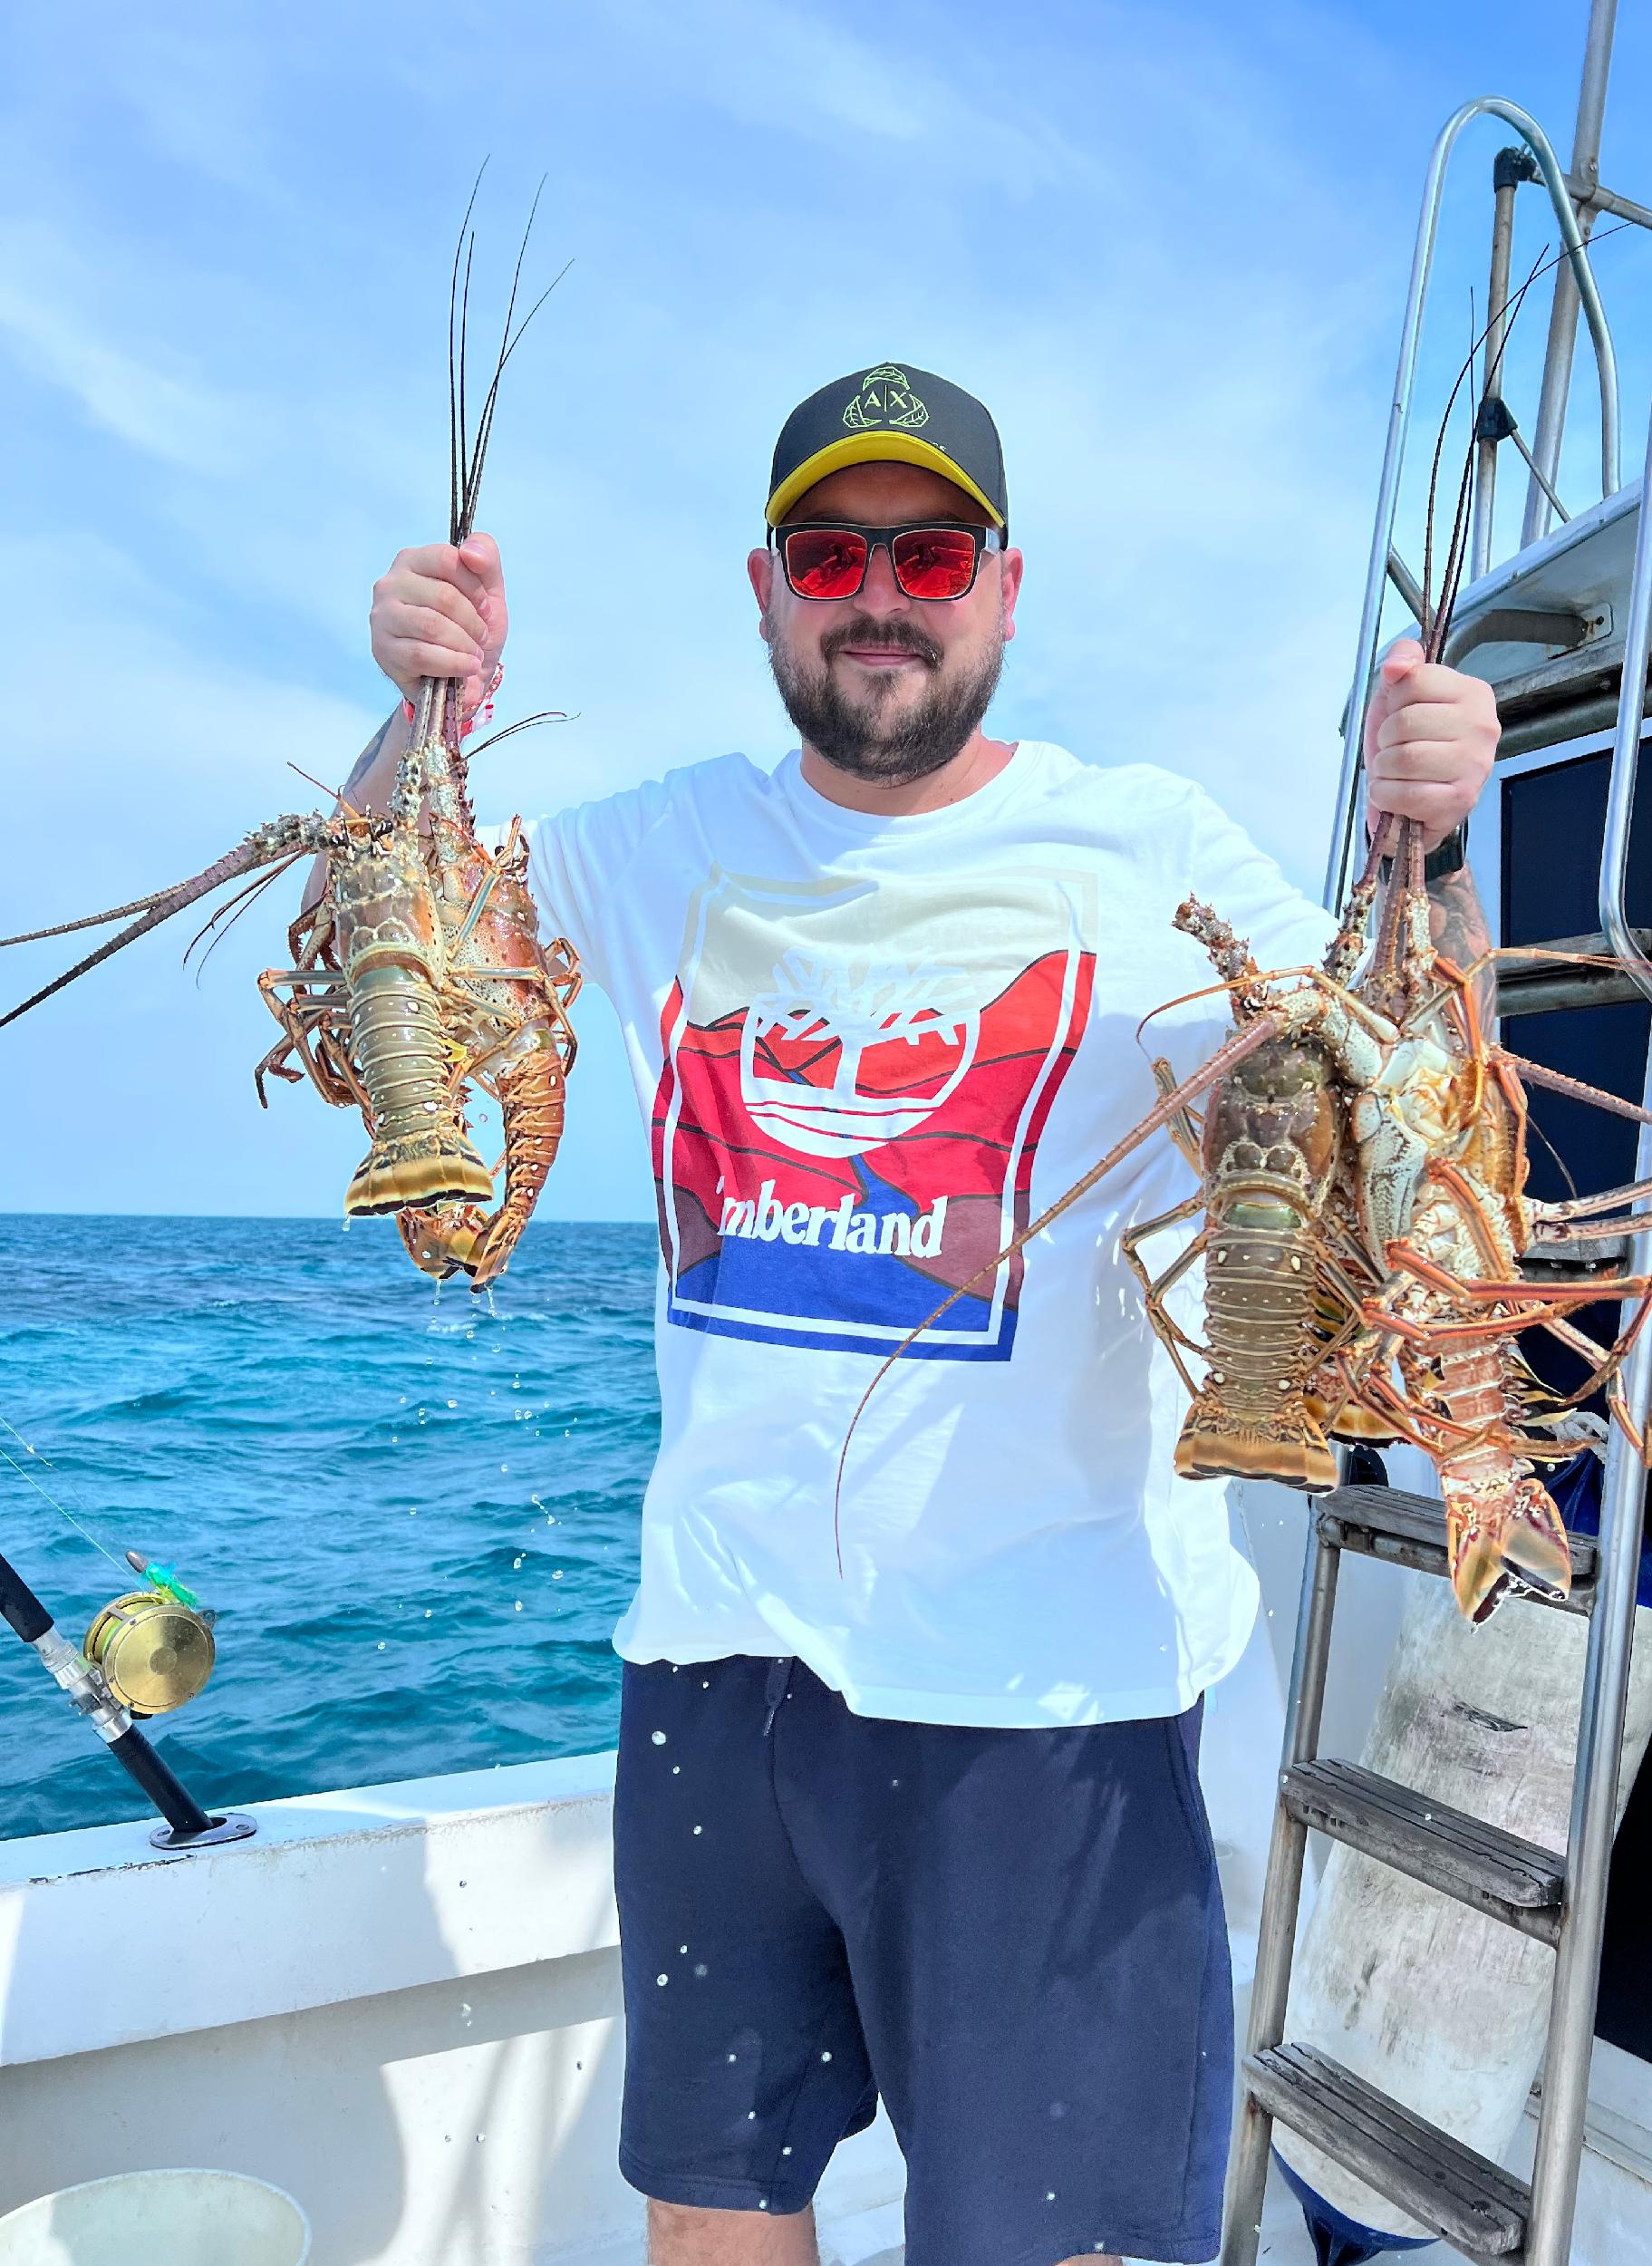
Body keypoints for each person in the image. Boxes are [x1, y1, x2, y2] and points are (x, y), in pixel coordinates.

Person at [346, 364, 1497, 2266]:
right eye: (829, 554)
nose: (878, 594)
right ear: (765, 588)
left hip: (1047, 1699)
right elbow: (395, 938)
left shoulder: (1148, 849)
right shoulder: (657, 846)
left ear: (1005, 587)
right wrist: (415, 714)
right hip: (713, 1661)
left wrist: (1429, 849)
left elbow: (1411, 1081)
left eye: (929, 553)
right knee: (712, 2214)